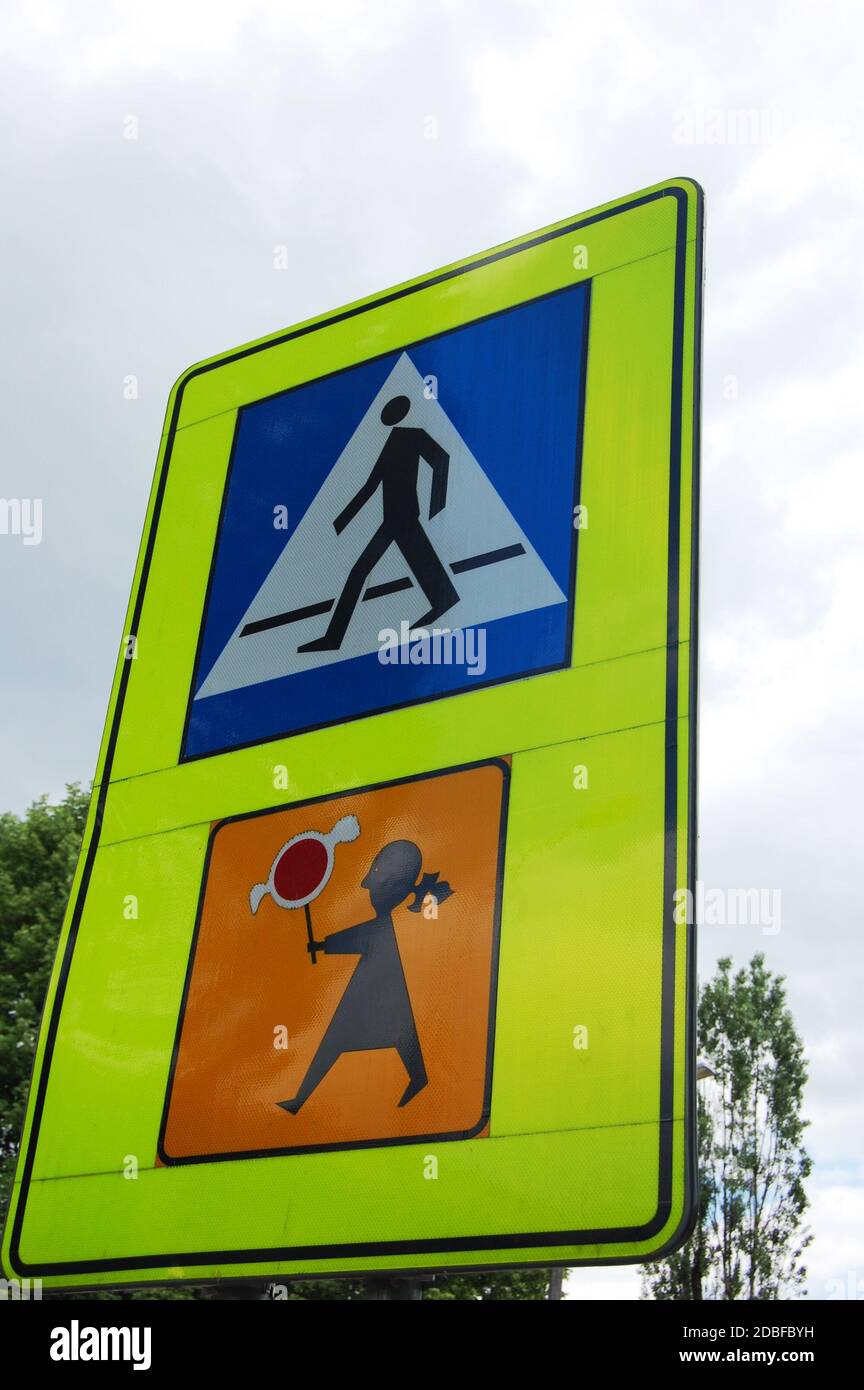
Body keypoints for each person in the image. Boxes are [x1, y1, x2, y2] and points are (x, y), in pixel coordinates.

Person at [277, 840, 452, 1113]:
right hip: (381, 991)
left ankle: (300, 1100)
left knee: (338, 1040)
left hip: (372, 992)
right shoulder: (385, 926)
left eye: (377, 875)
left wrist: (325, 945)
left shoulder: (382, 928)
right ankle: (300, 1100)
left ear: (391, 886)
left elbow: (360, 937)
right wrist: (324, 945)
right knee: (398, 1037)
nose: (367, 887)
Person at [298, 395, 459, 652]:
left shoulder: (413, 436)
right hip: (393, 518)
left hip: (404, 517)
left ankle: (333, 638)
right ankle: (444, 598)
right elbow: (371, 485)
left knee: (362, 571)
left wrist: (436, 506)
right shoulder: (392, 441)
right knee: (404, 565)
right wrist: (341, 521)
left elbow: (441, 459)